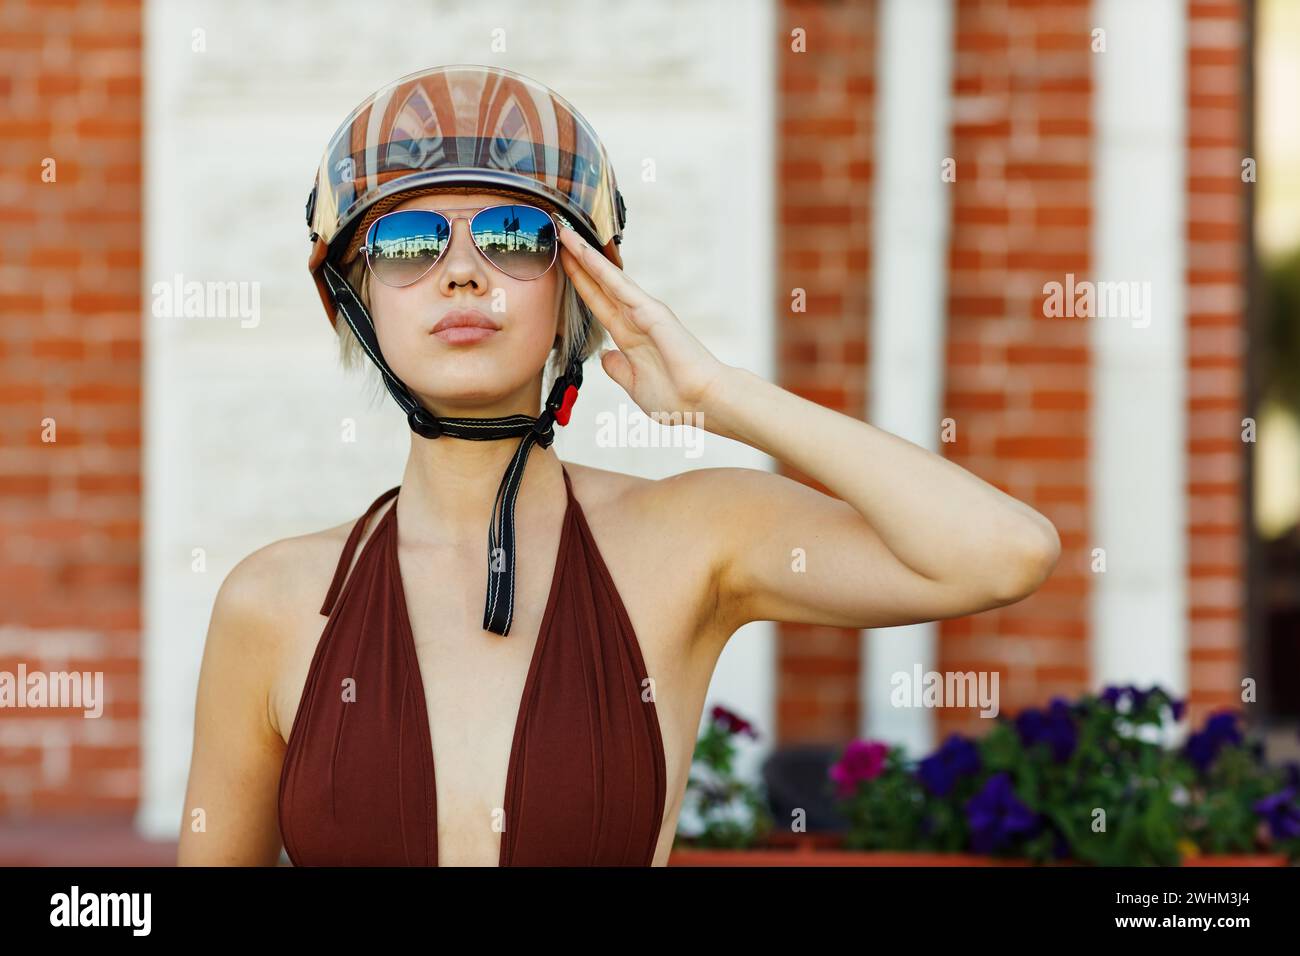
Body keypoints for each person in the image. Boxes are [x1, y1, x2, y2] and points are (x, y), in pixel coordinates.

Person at [177, 65, 1060, 867]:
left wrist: (717, 391)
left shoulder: (689, 541)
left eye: (514, 235)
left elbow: (1001, 552)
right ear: (350, 299)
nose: (462, 272)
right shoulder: (275, 603)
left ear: (579, 287)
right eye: (409, 242)